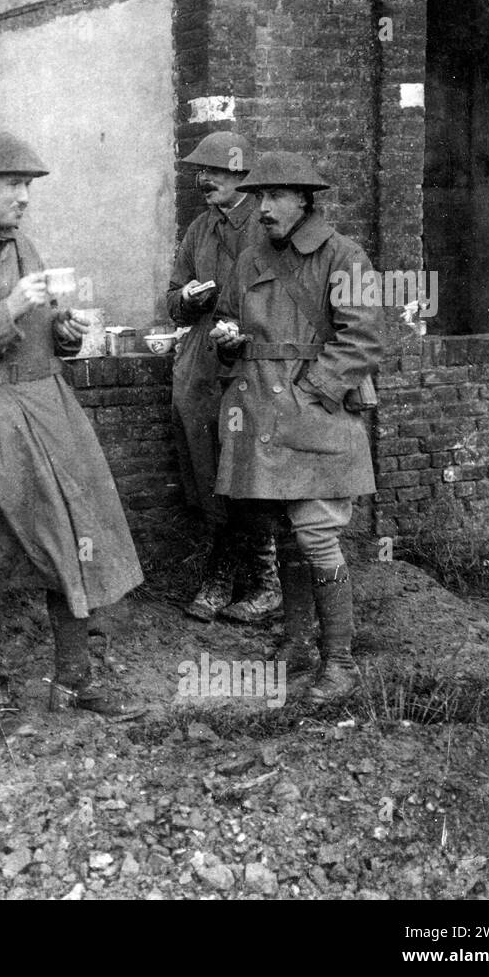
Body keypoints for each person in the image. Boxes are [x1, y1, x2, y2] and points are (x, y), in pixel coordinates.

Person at [0, 131, 145, 737]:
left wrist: (62, 331)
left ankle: (75, 677)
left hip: (44, 402)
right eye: (14, 185)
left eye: (28, 186)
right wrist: (10, 308)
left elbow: (39, 328)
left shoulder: (23, 244)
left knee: (71, 532)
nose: (24, 198)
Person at [209, 151, 382, 702]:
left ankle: (340, 661)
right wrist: (228, 337)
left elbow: (363, 340)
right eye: (259, 197)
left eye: (275, 196)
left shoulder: (345, 256)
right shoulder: (251, 256)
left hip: (317, 410)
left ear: (305, 200)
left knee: (317, 532)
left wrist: (313, 392)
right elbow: (228, 315)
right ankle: (297, 643)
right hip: (261, 405)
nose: (264, 208)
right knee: (286, 528)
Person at [167, 131, 279, 624]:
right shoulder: (199, 230)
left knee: (250, 463)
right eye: (202, 170)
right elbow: (172, 305)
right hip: (203, 360)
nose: (203, 179)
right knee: (207, 461)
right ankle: (227, 572)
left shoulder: (268, 224)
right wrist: (187, 298)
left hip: (254, 358)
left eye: (214, 171)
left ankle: (264, 578)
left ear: (240, 175)